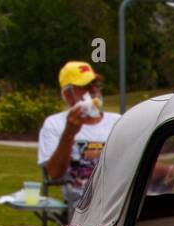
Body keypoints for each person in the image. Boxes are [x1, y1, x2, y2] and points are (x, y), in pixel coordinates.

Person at [38, 62, 122, 208]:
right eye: (86, 86)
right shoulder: (55, 124)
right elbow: (54, 173)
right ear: (67, 94)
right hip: (83, 205)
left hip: (120, 199)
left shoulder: (117, 121)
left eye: (95, 84)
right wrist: (69, 133)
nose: (94, 90)